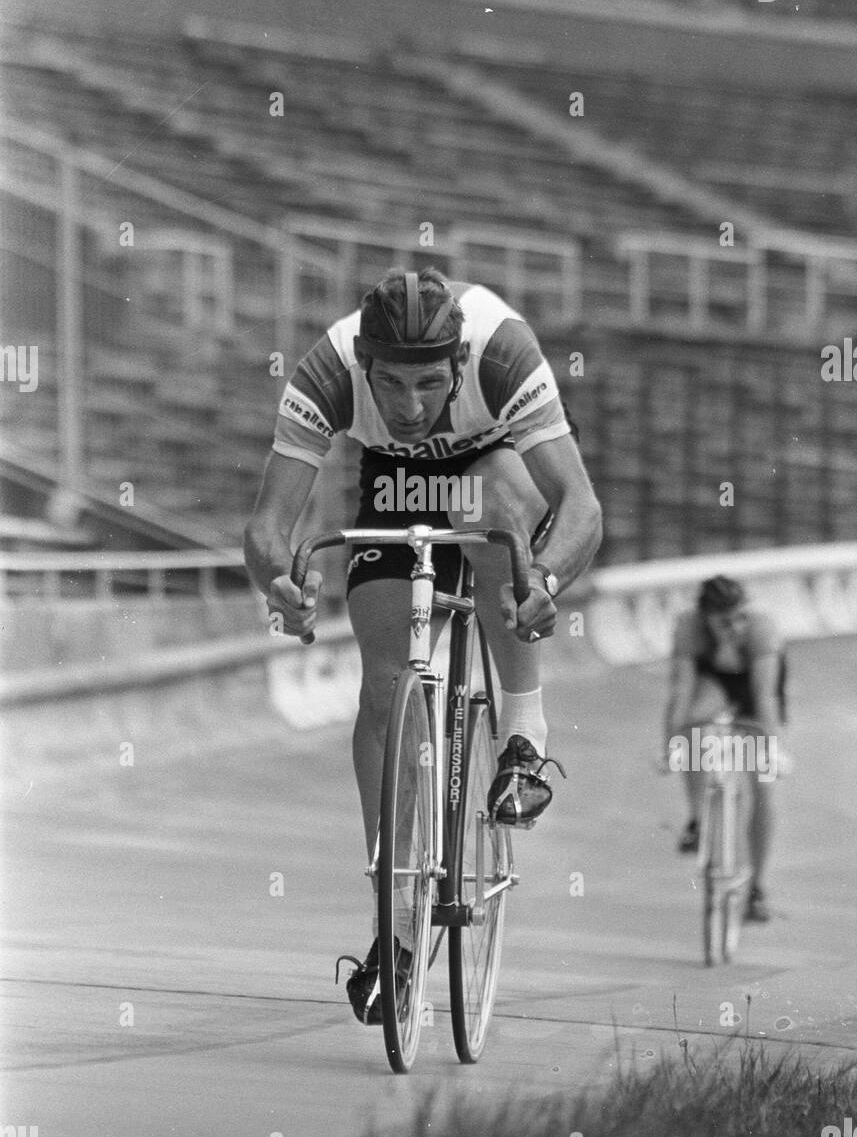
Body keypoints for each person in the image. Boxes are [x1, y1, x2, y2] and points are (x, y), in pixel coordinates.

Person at [244, 266, 602, 1022]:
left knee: (495, 504)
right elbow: (266, 529)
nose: (409, 407)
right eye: (390, 387)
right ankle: (395, 926)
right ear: (363, 366)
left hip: (488, 470)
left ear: (460, 366)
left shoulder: (503, 350)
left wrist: (547, 581)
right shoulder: (325, 371)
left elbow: (580, 506)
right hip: (395, 485)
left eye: (429, 385)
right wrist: (281, 583)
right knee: (383, 685)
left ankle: (520, 739)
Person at [664, 574, 788, 923]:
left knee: (762, 787)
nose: (733, 627)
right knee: (691, 729)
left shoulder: (761, 630)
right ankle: (697, 819)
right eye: (723, 622)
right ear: (706, 619)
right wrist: (670, 744)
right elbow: (681, 693)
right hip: (714, 683)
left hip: (753, 687)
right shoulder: (689, 629)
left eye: (739, 617)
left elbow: (766, 697)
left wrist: (773, 749)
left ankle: (757, 888)